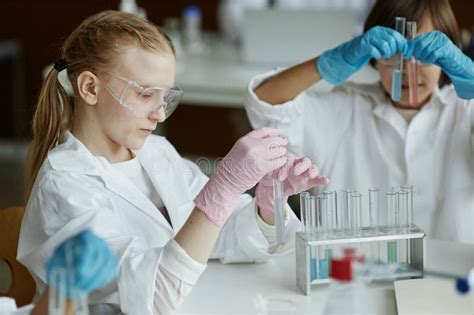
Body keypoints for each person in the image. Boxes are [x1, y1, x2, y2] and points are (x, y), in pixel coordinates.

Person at [17, 10, 328, 315]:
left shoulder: (156, 152)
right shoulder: (64, 189)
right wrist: (221, 190)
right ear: (89, 88)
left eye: (165, 97)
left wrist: (266, 208)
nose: (160, 113)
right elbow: (155, 296)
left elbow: (215, 236)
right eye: (145, 94)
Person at [245, 0, 473, 243]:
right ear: (373, 56)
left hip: (452, 274)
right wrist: (323, 65)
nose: (408, 69)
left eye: (424, 55)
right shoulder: (345, 108)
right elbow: (266, 104)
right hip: (353, 271)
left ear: (448, 55)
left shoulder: (466, 111)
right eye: (393, 54)